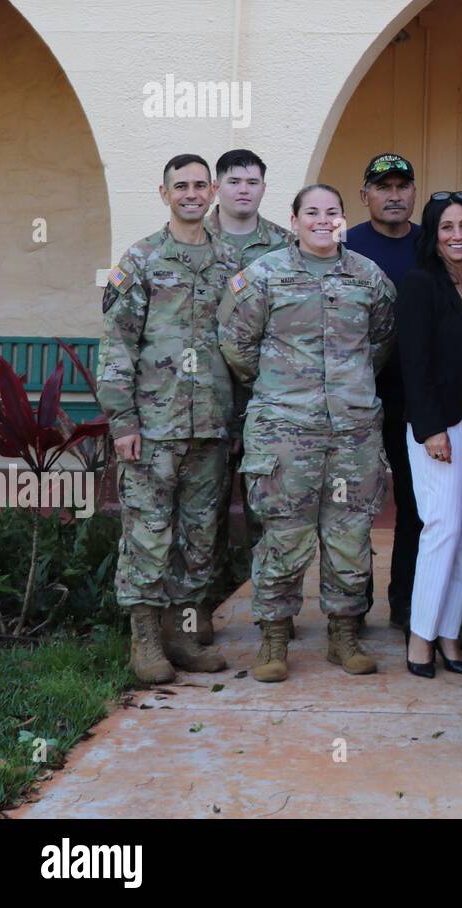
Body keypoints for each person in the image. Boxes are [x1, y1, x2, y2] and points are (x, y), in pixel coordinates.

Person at [218, 184, 397, 683]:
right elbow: (236, 344)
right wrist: (281, 388)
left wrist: (345, 388)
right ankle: (274, 638)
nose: (323, 220)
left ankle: (344, 633)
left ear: (344, 219)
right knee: (284, 535)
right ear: (294, 221)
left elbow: (380, 342)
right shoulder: (264, 276)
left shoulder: (368, 277)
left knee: (350, 534)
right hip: (284, 432)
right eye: (312, 213)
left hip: (353, 433)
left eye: (332, 212)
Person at [98, 154, 237, 681]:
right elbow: (116, 347)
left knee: (199, 536)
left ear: (213, 192)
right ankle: (146, 643)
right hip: (153, 427)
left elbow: (242, 345)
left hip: (212, 425)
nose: (192, 193)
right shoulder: (141, 260)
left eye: (201, 185)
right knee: (149, 534)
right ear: (164, 193)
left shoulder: (229, 263)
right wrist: (123, 422)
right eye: (182, 186)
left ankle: (182, 637)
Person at [396, 192, 462, 677]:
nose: (458, 235)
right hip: (440, 423)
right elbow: (412, 361)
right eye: (446, 227)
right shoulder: (420, 285)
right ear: (432, 237)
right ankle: (420, 639)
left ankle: (450, 636)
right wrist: (430, 427)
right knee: (442, 528)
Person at [200, 148, 291, 640]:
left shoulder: (283, 245)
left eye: (252, 181)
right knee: (204, 517)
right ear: (218, 186)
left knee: (268, 513)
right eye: (233, 180)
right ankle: (203, 618)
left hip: (267, 405)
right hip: (202, 404)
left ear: (263, 188)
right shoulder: (192, 239)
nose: (243, 189)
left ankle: (273, 617)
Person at [344, 153, 422, 632]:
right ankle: (350, 608)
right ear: (364, 195)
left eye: (402, 186)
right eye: (383, 186)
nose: (394, 195)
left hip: (413, 398)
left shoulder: (430, 244)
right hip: (354, 398)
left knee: (414, 504)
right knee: (352, 505)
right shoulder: (344, 246)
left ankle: (406, 602)